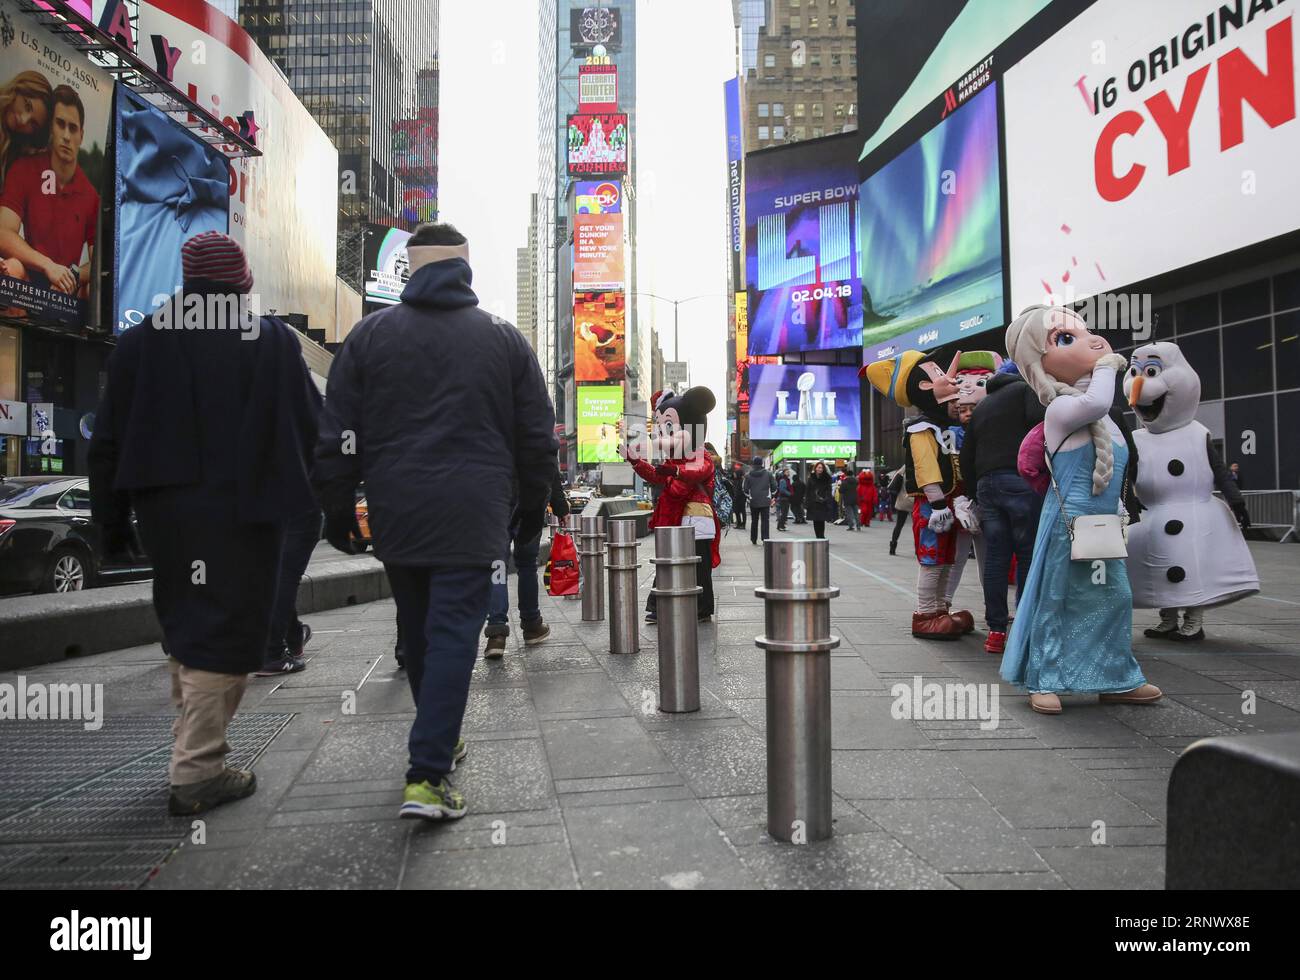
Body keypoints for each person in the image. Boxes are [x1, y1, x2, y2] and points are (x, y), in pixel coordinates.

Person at [313, 222, 558, 821]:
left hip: (397, 508)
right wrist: (532, 508)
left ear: (411, 270)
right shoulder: (504, 338)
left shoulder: (369, 336)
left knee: (421, 628)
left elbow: (338, 433)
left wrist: (338, 506)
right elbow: (535, 438)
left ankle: (439, 740)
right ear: (465, 269)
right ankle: (427, 773)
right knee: (453, 631)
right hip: (475, 509)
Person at [88, 232, 319, 816]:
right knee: (231, 630)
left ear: (188, 281)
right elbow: (313, 426)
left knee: (187, 616)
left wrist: (110, 527)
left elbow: (107, 444)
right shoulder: (267, 339)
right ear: (241, 281)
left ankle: (190, 745)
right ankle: (197, 770)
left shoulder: (140, 342)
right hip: (247, 514)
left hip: (167, 515)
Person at [1001, 305, 1163, 715]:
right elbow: (1094, 403)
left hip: (1104, 526)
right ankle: (1045, 678)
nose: (1091, 340)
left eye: (1085, 332)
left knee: (1116, 598)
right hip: (1068, 524)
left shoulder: (1103, 415)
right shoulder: (1060, 410)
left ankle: (1115, 677)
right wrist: (1106, 362)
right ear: (1039, 365)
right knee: (1056, 599)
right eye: (1066, 339)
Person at [1123, 342, 1258, 641]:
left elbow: (1220, 472)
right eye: (1134, 372)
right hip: (1153, 516)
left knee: (1194, 567)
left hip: (1196, 514)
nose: (1139, 384)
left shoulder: (1197, 434)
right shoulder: (1137, 438)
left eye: (1152, 371)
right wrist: (1129, 505)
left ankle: (1193, 620)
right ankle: (1168, 619)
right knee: (1156, 569)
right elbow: (1128, 475)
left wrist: (1237, 503)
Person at [863, 351, 967, 639]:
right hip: (932, 506)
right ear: (922, 387)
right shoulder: (921, 429)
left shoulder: (945, 427)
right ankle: (924, 614)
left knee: (947, 558)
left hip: (948, 503)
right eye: (934, 372)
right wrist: (936, 502)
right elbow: (925, 467)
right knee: (932, 558)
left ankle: (940, 609)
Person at [959, 359, 1045, 654]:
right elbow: (1040, 428)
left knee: (996, 557)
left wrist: (974, 492)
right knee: (1026, 554)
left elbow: (966, 454)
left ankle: (996, 630)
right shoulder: (1025, 391)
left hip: (987, 485)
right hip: (1018, 479)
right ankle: (1023, 626)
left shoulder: (982, 406)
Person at [622, 387, 721, 623]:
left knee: (699, 566)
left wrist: (675, 471)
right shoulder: (673, 460)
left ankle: (702, 608)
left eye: (670, 427)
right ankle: (660, 605)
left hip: (698, 519)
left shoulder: (700, 454)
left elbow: (697, 471)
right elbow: (658, 476)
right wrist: (636, 462)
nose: (663, 436)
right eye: (662, 428)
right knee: (668, 562)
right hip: (675, 518)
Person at [0, 86, 97, 297]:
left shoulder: (91, 195)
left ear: (81, 135)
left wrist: (73, 276)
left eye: (73, 128)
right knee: (12, 267)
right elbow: (3, 233)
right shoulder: (24, 169)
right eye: (60, 125)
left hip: (67, 292)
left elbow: (100, 260)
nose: (66, 136)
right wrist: (48, 267)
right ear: (51, 128)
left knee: (94, 288)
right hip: (29, 281)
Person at [483, 466, 567, 657]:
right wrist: (561, 507)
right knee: (527, 564)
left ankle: (496, 632)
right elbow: (548, 463)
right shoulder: (535, 435)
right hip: (530, 501)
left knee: (497, 564)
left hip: (495, 499)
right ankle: (531, 624)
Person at [0, 70, 52, 184]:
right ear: (18, 88)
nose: (23, 120)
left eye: (33, 124)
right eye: (27, 105)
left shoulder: (14, 154)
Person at [744, 455, 776, 544]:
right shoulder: (768, 474)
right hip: (765, 500)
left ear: (753, 464)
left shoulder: (748, 475)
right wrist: (772, 495)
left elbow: (745, 489)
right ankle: (765, 539)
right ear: (762, 463)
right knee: (765, 521)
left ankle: (753, 539)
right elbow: (774, 486)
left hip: (753, 501)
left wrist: (749, 497)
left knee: (754, 521)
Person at [806, 461, 836, 539]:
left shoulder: (826, 478)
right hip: (813, 502)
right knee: (815, 520)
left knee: (821, 520)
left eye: (822, 468)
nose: (820, 469)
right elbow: (808, 491)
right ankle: (818, 536)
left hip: (823, 502)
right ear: (815, 468)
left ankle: (821, 536)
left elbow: (828, 490)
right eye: (819, 467)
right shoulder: (811, 478)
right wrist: (807, 502)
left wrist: (826, 499)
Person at [886, 466, 910, 556]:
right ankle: (918, 548)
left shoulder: (902, 470)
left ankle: (893, 547)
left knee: (899, 525)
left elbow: (893, 486)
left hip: (903, 500)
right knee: (918, 526)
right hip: (916, 501)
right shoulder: (921, 467)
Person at [729, 462, 747, 529]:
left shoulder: (740, 481)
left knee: (740, 511)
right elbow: (731, 476)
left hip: (739, 498)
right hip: (739, 498)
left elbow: (739, 491)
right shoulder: (737, 480)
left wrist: (735, 498)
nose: (734, 474)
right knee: (740, 511)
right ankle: (740, 524)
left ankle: (741, 524)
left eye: (735, 473)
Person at [775, 466, 793, 531]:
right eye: (787, 472)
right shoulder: (783, 480)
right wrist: (790, 494)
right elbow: (782, 490)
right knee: (784, 513)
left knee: (784, 513)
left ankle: (781, 525)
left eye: (788, 472)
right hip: (783, 498)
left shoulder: (786, 480)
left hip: (785, 498)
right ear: (784, 473)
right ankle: (780, 526)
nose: (788, 473)